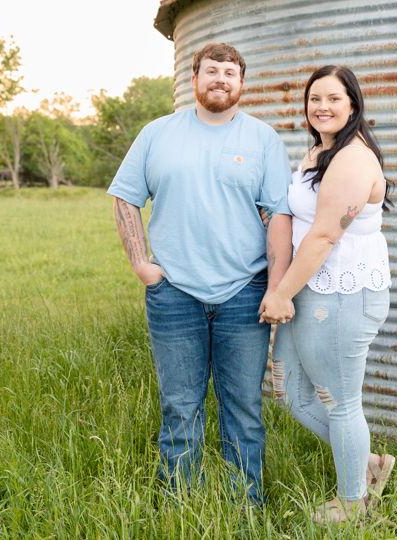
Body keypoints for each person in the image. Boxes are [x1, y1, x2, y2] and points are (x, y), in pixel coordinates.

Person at [108, 42, 292, 505]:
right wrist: (143, 266)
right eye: (212, 70)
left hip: (244, 292)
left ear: (242, 83)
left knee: (244, 408)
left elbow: (279, 215)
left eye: (230, 73)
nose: (220, 79)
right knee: (179, 407)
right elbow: (125, 196)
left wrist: (275, 288)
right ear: (194, 79)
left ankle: (245, 506)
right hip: (174, 292)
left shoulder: (263, 139)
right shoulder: (157, 134)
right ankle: (179, 504)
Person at [259, 64, 395, 523]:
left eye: (334, 98)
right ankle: (369, 464)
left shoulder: (353, 159)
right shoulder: (319, 150)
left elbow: (323, 237)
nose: (322, 107)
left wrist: (280, 293)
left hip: (343, 294)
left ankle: (354, 503)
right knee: (293, 393)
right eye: (315, 98)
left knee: (341, 402)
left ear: (353, 105)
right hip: (310, 289)